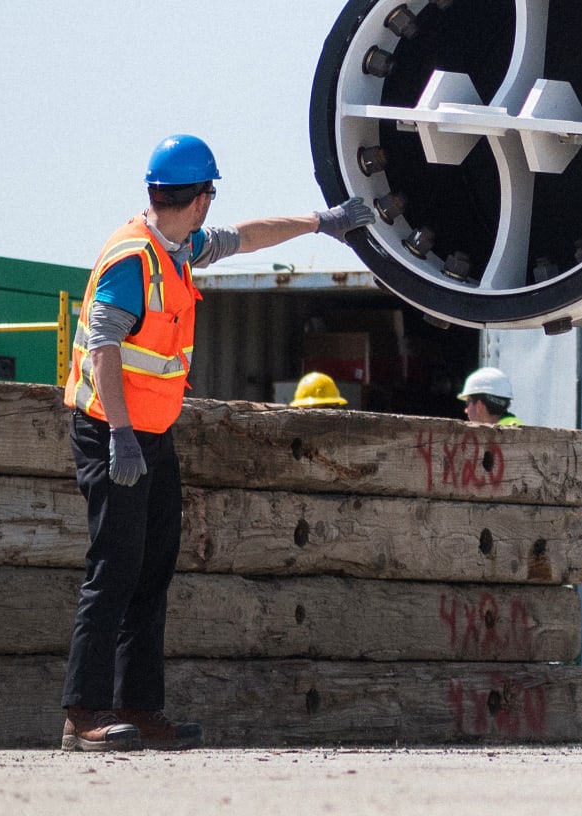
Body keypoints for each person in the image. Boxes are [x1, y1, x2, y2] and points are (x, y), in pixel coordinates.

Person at [59, 133, 372, 752]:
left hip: (151, 433)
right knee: (113, 571)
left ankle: (141, 709)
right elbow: (103, 348)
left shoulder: (180, 248)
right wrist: (120, 433)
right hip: (111, 432)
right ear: (200, 198)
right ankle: (82, 716)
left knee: (152, 571)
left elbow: (248, 236)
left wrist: (320, 223)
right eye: (211, 194)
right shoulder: (134, 259)